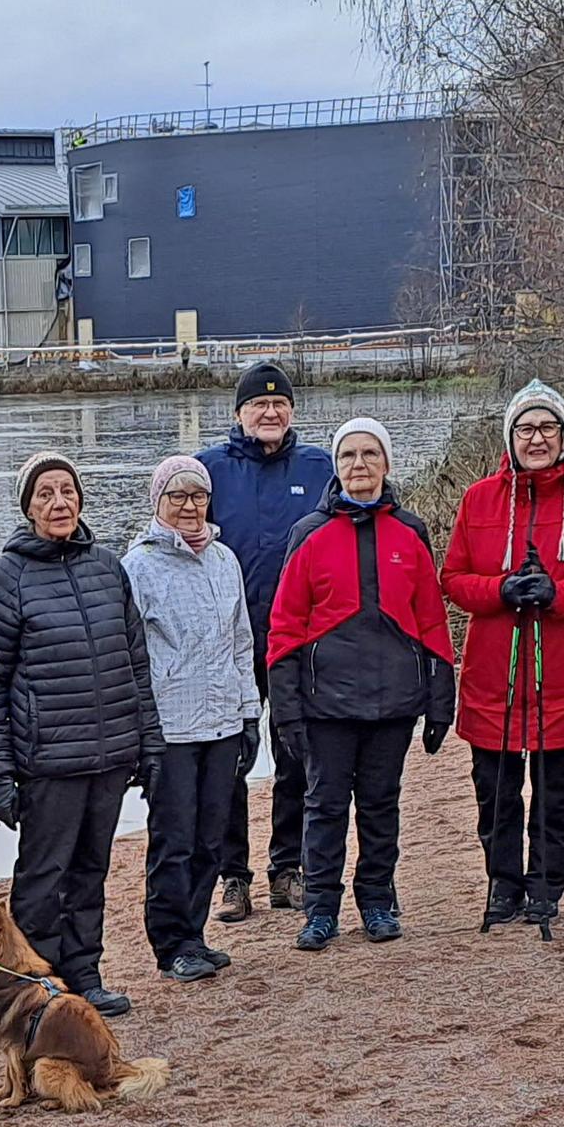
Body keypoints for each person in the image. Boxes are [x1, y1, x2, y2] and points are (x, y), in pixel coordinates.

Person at [0, 451, 163, 1015]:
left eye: (68, 491)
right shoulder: (6, 580)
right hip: (47, 761)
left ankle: (84, 974)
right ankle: (31, 988)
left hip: (109, 755)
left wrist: (149, 746)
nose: (59, 502)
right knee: (40, 878)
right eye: (46, 493)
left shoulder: (107, 567)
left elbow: (135, 662)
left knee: (89, 872)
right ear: (27, 506)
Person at [444, 382, 564, 930]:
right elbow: (453, 576)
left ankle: (547, 886)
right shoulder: (480, 498)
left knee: (556, 791)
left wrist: (560, 593)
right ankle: (503, 885)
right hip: (494, 673)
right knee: (495, 792)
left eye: (548, 428)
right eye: (526, 429)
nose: (537, 439)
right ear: (511, 436)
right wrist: (501, 589)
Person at [269, 419, 456, 949]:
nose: (359, 464)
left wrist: (441, 702)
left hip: (393, 702)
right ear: (336, 466)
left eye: (370, 453)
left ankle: (377, 900)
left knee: (380, 804)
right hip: (325, 703)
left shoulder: (410, 532)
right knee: (324, 806)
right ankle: (320, 909)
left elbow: (431, 621)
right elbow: (284, 627)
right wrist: (286, 709)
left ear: (386, 463)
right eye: (349, 455)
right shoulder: (308, 533)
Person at [198, 362, 335, 917]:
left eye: (280, 405)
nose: (270, 413)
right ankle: (234, 874)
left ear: (293, 412)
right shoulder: (209, 470)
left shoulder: (321, 466)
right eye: (259, 405)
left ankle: (288, 867)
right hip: (232, 639)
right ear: (239, 414)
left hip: (302, 640)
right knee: (231, 753)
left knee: (296, 752)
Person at [123, 455, 258, 981]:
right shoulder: (138, 566)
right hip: (171, 728)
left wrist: (248, 713)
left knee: (210, 837)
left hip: (223, 720)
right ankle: (171, 941)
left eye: (197, 495)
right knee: (173, 839)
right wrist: (142, 732)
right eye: (176, 496)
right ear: (157, 502)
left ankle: (196, 933)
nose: (188, 506)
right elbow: (130, 656)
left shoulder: (225, 560)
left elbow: (241, 642)